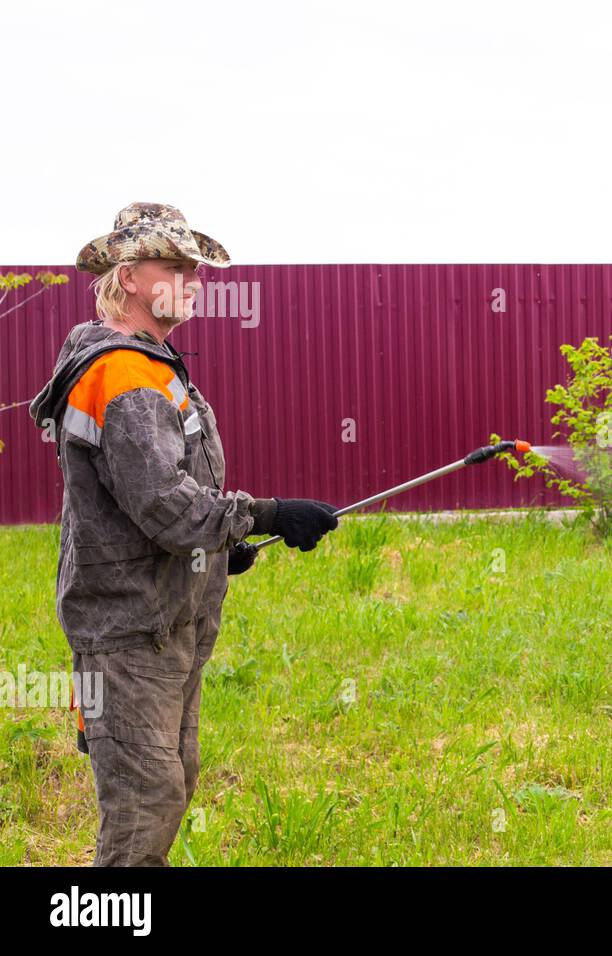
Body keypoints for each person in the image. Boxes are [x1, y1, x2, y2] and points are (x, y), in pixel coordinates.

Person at [28, 202, 339, 866]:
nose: (194, 282)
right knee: (145, 807)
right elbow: (169, 509)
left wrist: (220, 557)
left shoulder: (151, 363)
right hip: (125, 640)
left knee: (170, 785)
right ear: (132, 276)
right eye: (178, 267)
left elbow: (142, 511)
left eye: (196, 271)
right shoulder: (123, 374)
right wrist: (271, 515)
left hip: (163, 625)